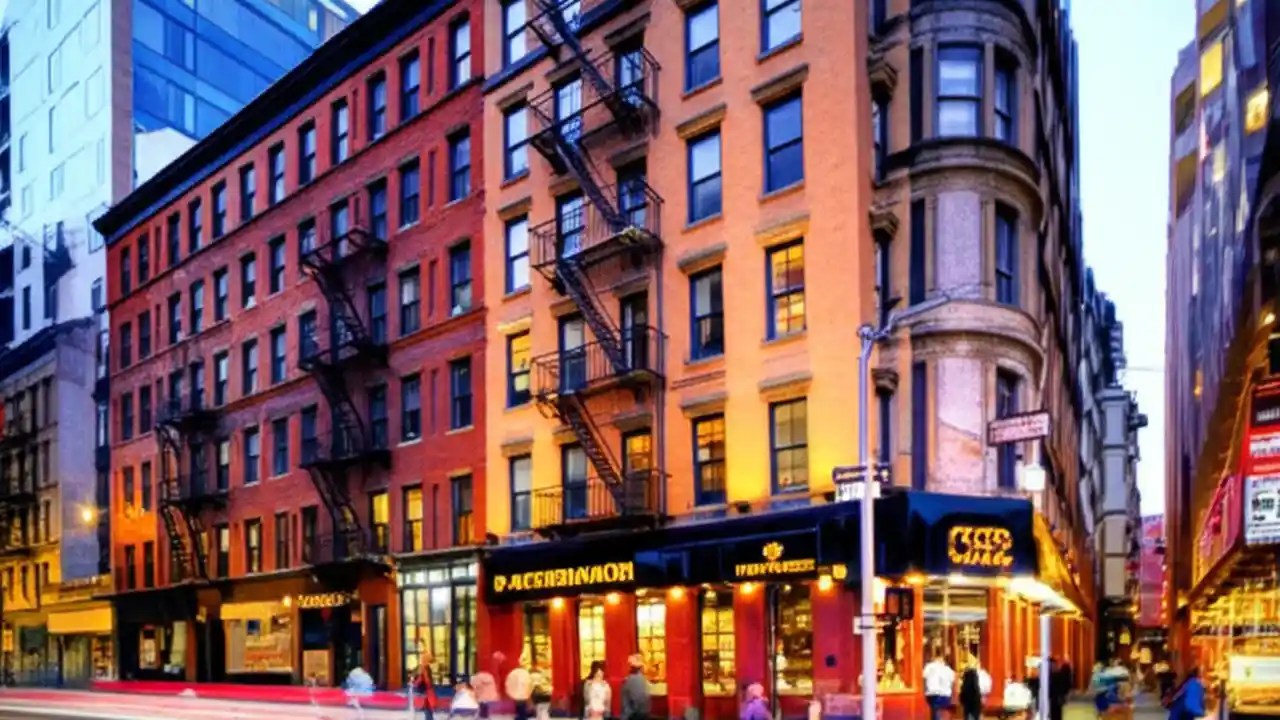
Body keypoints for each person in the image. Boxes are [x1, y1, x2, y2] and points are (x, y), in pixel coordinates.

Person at [924, 654, 956, 720]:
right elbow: (953, 681)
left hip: (932, 693)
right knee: (942, 711)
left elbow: (924, 678)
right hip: (945, 695)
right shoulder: (948, 669)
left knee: (935, 711)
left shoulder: (929, 666)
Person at [620, 654, 651, 720]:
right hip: (643, 713)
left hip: (634, 714)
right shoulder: (643, 679)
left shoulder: (632, 679)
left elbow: (637, 699)